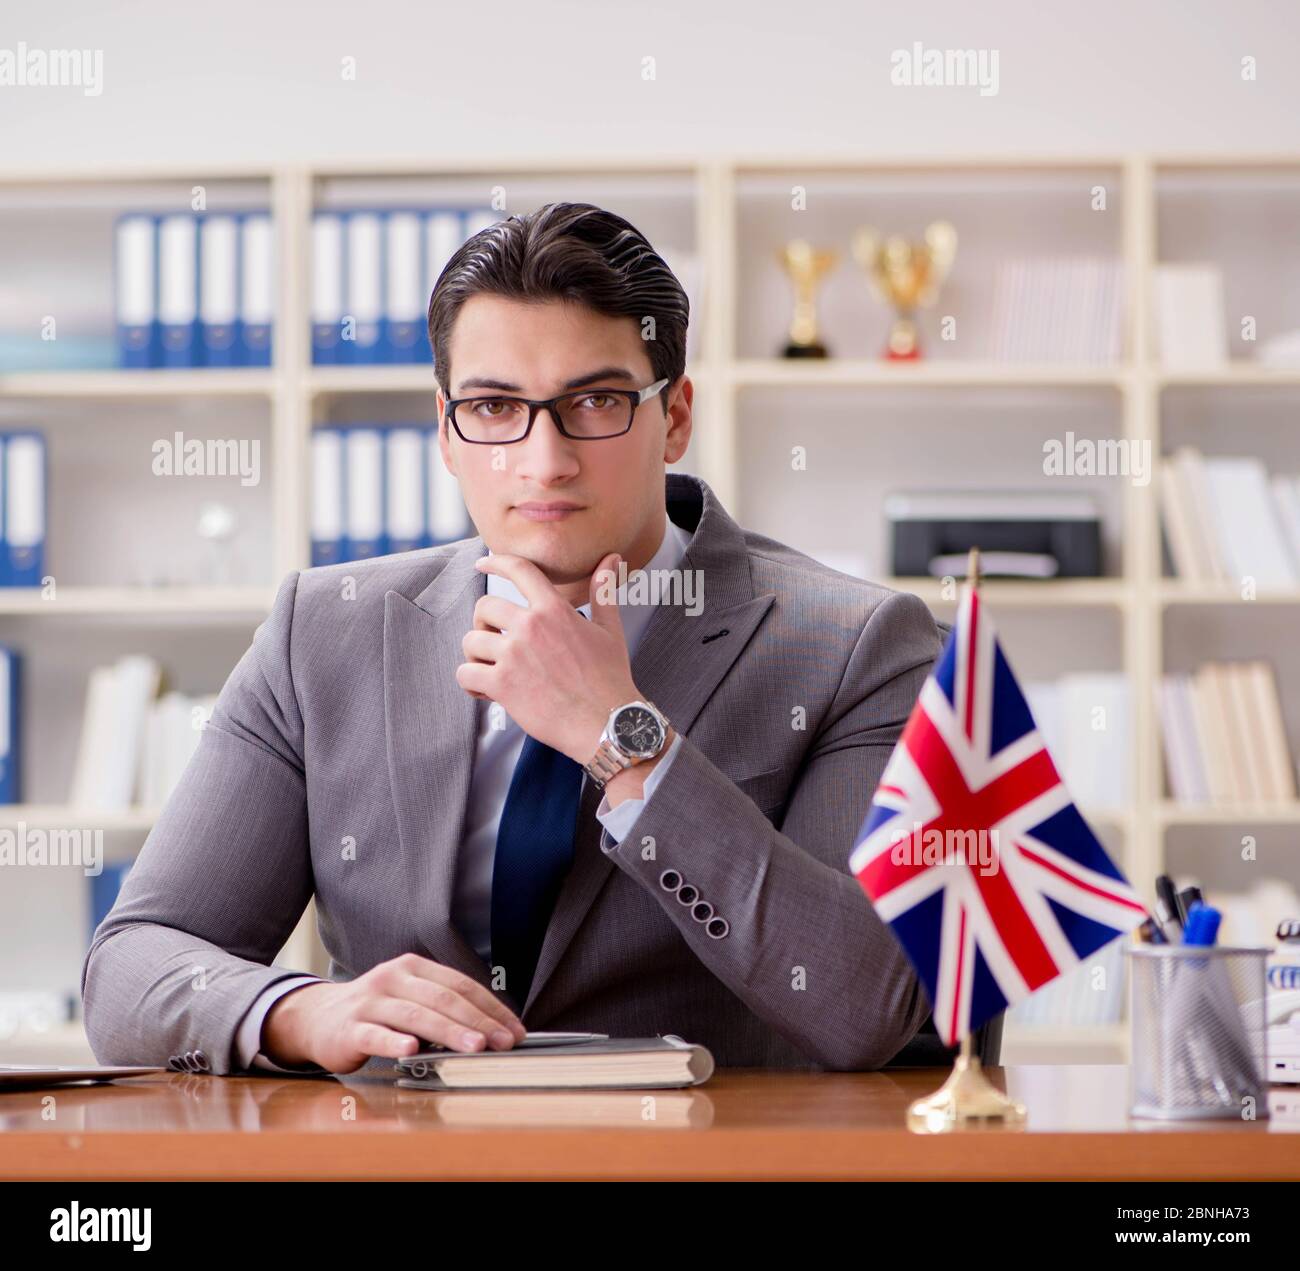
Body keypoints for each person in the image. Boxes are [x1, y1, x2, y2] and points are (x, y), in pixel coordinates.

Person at [82, 202, 941, 1076]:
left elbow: (864, 1006)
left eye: (597, 401)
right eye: (494, 408)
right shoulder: (324, 629)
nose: (543, 461)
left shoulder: (855, 645)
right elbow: (132, 964)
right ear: (447, 431)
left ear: (675, 417)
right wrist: (303, 1009)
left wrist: (622, 740)